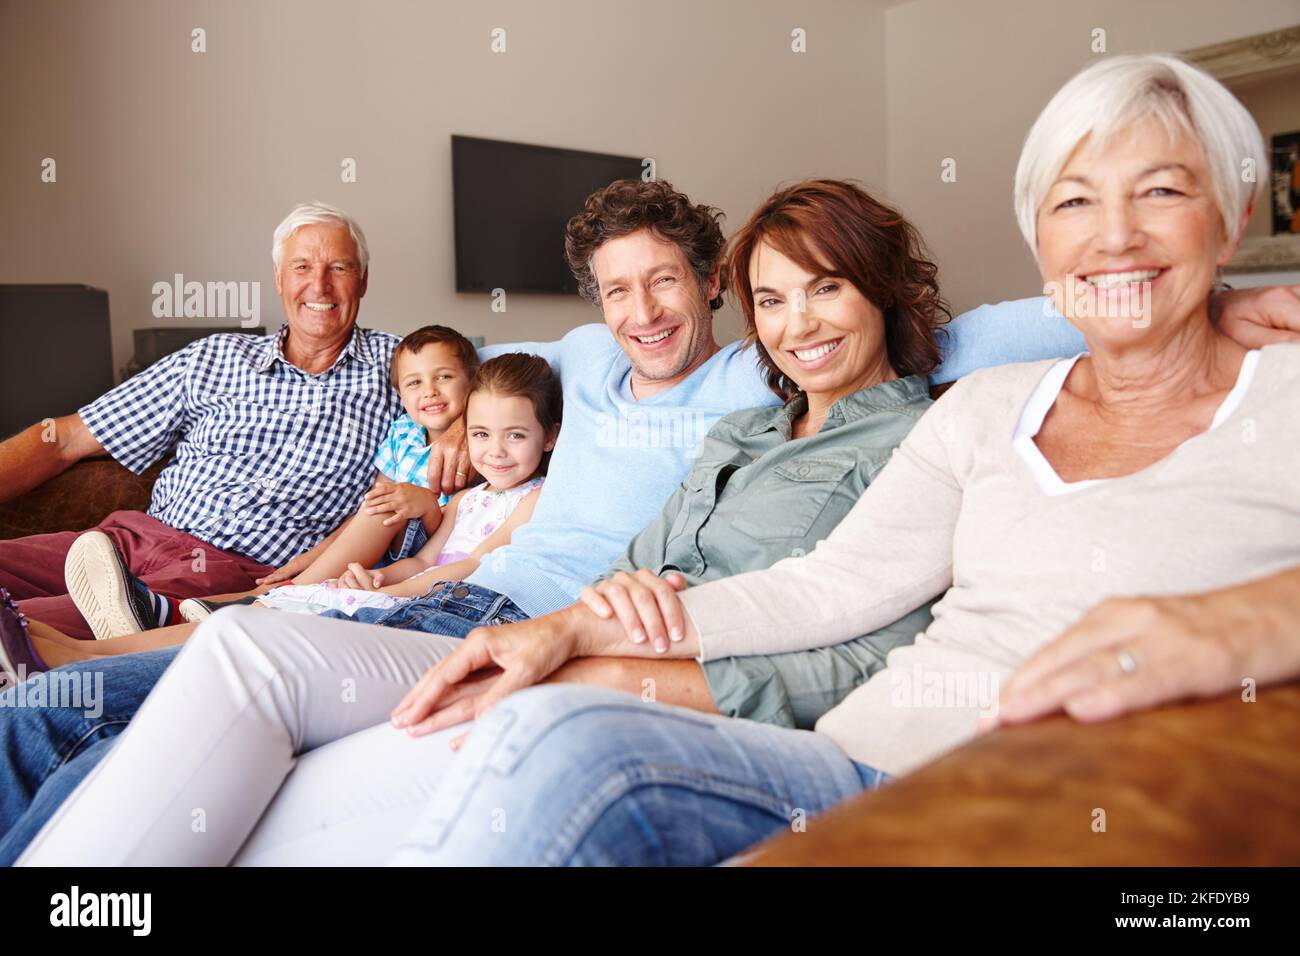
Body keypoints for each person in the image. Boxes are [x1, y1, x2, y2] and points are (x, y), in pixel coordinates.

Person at [4, 160, 1300, 864]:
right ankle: (59, 681)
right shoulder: (669, 392)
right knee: (87, 712)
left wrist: (1212, 296)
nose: (792, 326)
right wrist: (487, 541)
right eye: (775, 302)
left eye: (671, 281)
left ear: (707, 284)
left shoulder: (919, 419)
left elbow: (996, 336)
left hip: (615, 665)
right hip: (522, 611)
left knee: (258, 686)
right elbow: (491, 425)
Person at [337, 52, 1299, 866]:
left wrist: (1243, 620)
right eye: (1075, 203)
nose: (1115, 234)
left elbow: (1004, 324)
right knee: (545, 728)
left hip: (1040, 805)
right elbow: (829, 585)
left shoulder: (1283, 393)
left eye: (1163, 193)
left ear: (1235, 211)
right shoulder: (989, 410)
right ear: (1040, 239)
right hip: (850, 762)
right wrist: (571, 633)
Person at [0, 201, 451, 650]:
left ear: (363, 280)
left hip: (228, 572)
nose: (319, 284)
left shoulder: (399, 366)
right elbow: (63, 440)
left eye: (339, 267)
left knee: (16, 631)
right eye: (301, 266)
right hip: (129, 537)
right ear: (279, 279)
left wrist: (456, 434)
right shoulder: (215, 357)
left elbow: (474, 395)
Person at [57, 324, 477, 642]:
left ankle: (280, 595)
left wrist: (437, 479)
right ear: (400, 393)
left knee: (384, 507)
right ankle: (195, 608)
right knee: (378, 505)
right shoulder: (403, 434)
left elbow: (465, 518)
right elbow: (366, 508)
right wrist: (313, 556)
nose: (430, 391)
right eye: (415, 383)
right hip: (379, 538)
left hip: (426, 542)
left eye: (444, 377)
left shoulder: (480, 444)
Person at [251, 352, 560, 617]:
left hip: (451, 602)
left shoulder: (535, 498)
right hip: (414, 589)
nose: (496, 451)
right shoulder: (464, 499)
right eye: (481, 434)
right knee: (295, 603)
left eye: (515, 435)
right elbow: (424, 561)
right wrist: (378, 578)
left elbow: (476, 565)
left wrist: (395, 592)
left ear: (549, 437)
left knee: (322, 611)